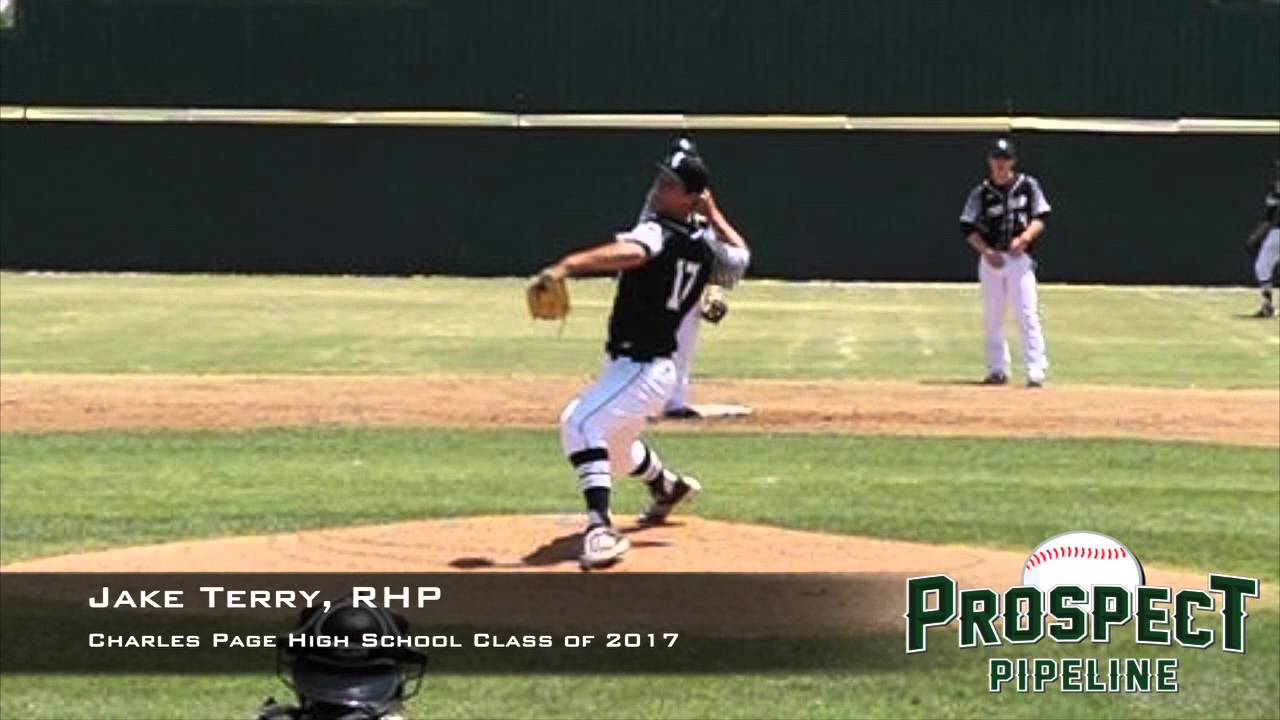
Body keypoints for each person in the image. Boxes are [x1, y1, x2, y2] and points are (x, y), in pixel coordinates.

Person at [535, 150, 750, 568]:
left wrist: (568, 266)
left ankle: (600, 530)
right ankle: (666, 487)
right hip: (642, 369)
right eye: (659, 179)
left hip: (645, 368)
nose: (658, 188)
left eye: (670, 184)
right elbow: (740, 260)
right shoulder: (706, 248)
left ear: (689, 196)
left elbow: (634, 253)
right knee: (615, 447)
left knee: (579, 423)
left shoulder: (656, 231)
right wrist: (713, 212)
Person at [636, 137, 735, 418]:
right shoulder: (659, 200)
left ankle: (676, 401)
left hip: (686, 280)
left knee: (685, 341)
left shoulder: (700, 202)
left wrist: (714, 288)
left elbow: (710, 245)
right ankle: (645, 398)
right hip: (658, 279)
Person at [959, 137, 1053, 388]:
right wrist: (986, 251)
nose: (1001, 164)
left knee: (1026, 313)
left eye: (1005, 159)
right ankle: (997, 369)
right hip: (992, 260)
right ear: (990, 161)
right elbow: (967, 226)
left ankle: (1036, 368)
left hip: (1019, 259)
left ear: (1013, 161)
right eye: (997, 159)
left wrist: (1025, 238)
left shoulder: (1028, 186)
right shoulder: (981, 193)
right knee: (993, 317)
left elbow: (1041, 217)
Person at [1244, 159, 1280, 318]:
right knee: (1262, 266)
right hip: (1278, 232)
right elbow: (1269, 216)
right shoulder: (1276, 188)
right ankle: (1267, 305)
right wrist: (1256, 234)